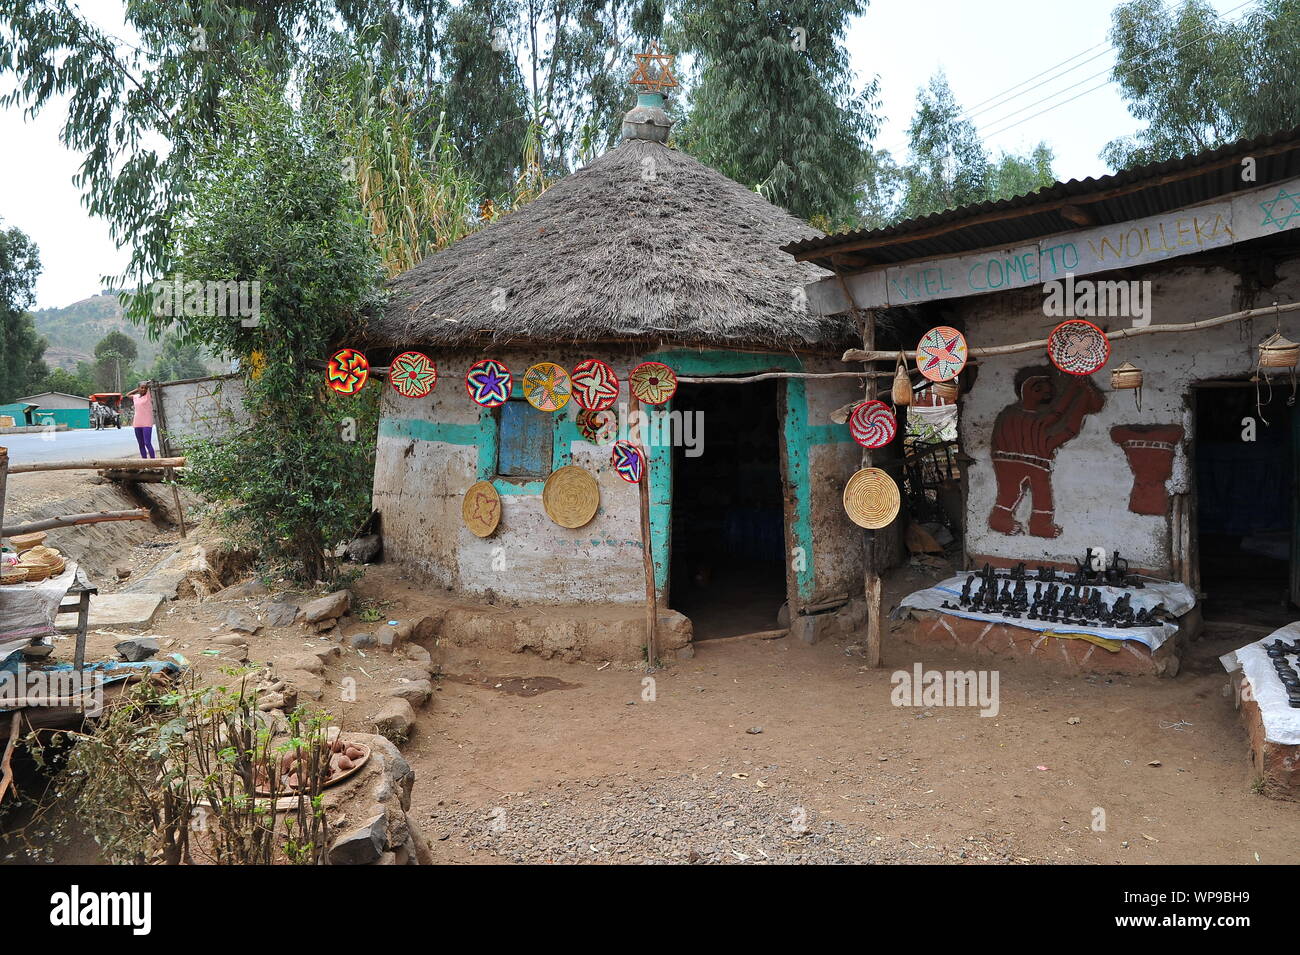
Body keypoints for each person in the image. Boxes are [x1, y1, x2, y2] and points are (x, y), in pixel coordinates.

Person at [127, 383, 157, 459]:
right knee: (141, 444)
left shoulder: (148, 396)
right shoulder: (135, 397)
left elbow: (150, 386)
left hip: (147, 422)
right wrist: (137, 389)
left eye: (145, 388)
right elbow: (127, 394)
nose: (144, 389)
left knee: (147, 443)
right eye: (142, 388)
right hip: (137, 423)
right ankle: (144, 462)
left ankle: (153, 462)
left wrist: (146, 385)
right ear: (138, 388)